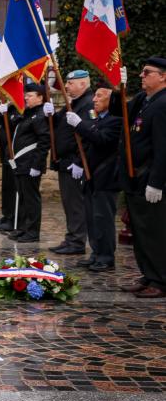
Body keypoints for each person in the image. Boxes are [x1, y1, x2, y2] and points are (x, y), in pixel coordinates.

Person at [118, 57, 166, 298]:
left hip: (149, 179)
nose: (141, 76)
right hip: (135, 178)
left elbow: (163, 147)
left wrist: (157, 182)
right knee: (140, 232)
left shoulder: (163, 103)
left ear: (163, 76)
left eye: (147, 72)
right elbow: (122, 111)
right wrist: (120, 87)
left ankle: (160, 280)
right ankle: (148, 275)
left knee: (154, 233)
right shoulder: (146, 100)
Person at [69, 81, 122, 272]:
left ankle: (106, 257)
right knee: (92, 218)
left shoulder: (116, 119)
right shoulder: (98, 119)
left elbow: (102, 139)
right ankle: (96, 253)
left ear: (111, 98)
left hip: (106, 177)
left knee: (103, 219)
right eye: (95, 95)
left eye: (99, 96)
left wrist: (80, 125)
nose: (94, 99)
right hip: (92, 177)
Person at [48, 70, 94, 255]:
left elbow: (87, 135)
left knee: (76, 204)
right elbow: (60, 124)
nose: (66, 86)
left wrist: (78, 162)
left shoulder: (87, 104)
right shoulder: (74, 103)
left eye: (70, 83)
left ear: (83, 84)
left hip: (75, 163)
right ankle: (71, 237)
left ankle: (77, 242)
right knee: (69, 203)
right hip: (65, 162)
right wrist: (50, 114)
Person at [7, 83, 51, 243]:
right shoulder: (27, 114)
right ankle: (24, 228)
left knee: (31, 199)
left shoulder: (40, 116)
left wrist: (37, 165)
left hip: (30, 164)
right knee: (24, 198)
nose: (26, 97)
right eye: (26, 95)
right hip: (21, 163)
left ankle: (32, 232)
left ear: (40, 97)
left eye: (30, 95)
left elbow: (44, 141)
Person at [0, 100, 23, 232]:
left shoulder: (19, 108)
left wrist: (6, 114)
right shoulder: (8, 107)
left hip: (15, 153)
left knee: (13, 187)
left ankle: (13, 217)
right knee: (6, 187)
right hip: (6, 152)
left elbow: (15, 127)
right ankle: (6, 215)